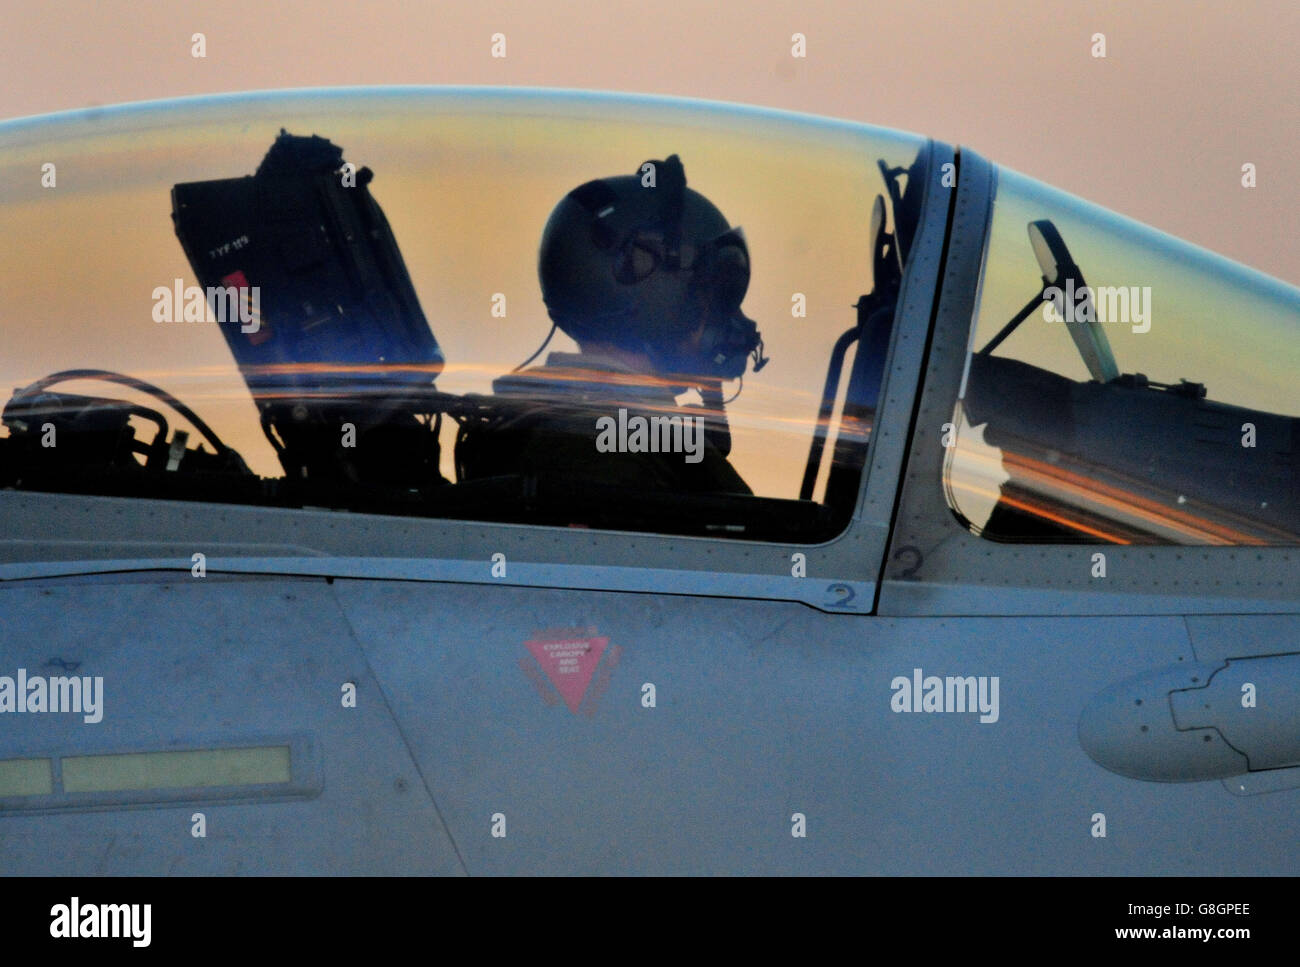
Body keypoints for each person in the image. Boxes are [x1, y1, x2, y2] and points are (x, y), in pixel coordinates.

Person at [456, 154, 768, 496]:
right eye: (714, 298)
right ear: (660, 299)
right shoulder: (635, 446)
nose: (733, 321)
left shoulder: (517, 429)